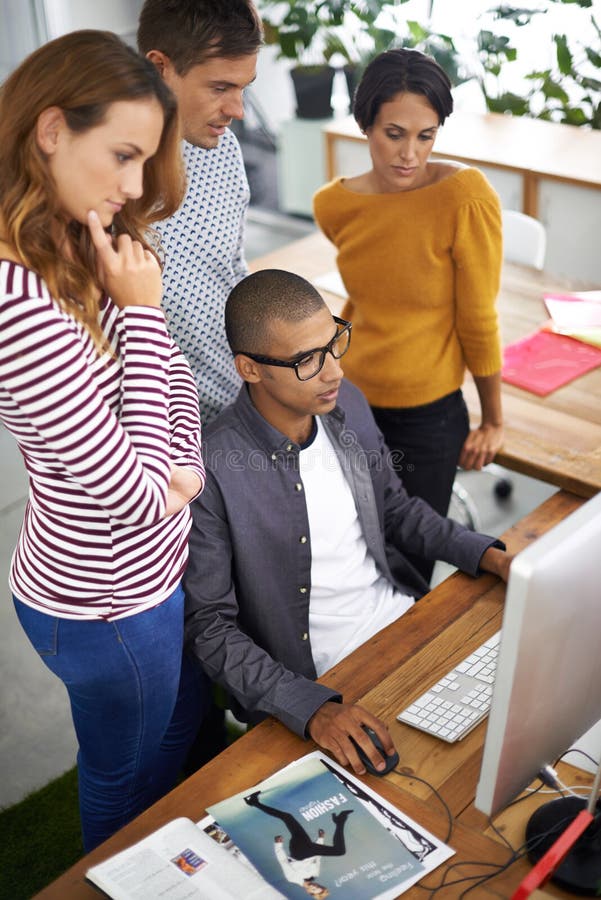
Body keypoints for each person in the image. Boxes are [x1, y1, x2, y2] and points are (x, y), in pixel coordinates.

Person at [0, 30, 210, 851]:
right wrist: (145, 310)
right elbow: (125, 497)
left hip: (141, 574)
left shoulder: (81, 245)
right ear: (51, 129)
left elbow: (178, 387)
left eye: (143, 161)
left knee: (164, 739)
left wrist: (181, 473)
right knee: (122, 777)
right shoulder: (19, 302)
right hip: (105, 603)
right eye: (121, 155)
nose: (132, 187)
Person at [183, 269, 512, 777]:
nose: (333, 371)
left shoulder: (346, 403)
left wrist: (491, 555)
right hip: (322, 681)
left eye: (333, 342)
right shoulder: (211, 467)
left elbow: (396, 510)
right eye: (306, 360)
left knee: (516, 723)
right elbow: (208, 626)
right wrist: (311, 707)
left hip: (403, 623)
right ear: (249, 368)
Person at [313, 48, 504, 583]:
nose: (409, 154)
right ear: (364, 124)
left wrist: (493, 420)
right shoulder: (334, 204)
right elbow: (370, 298)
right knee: (349, 552)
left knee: (409, 569)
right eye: (394, 133)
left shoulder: (463, 198)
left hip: (428, 416)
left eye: (426, 135)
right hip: (349, 402)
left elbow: (478, 320)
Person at [137, 0, 263, 423]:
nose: (238, 111)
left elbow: (231, 270)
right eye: (220, 88)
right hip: (154, 439)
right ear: (160, 68)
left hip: (238, 405)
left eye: (244, 88)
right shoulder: (101, 180)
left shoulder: (222, 150)